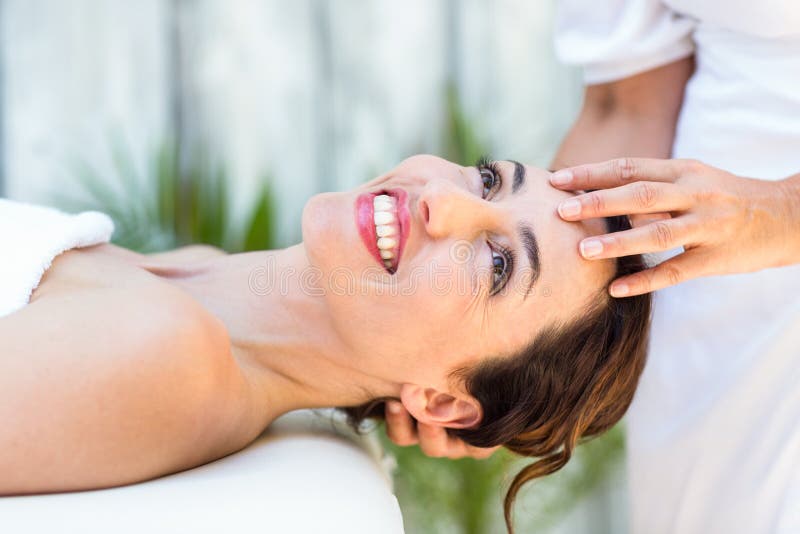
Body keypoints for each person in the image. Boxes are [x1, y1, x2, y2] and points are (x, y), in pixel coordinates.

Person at [0, 155, 651, 533]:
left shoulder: (172, 357)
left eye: (498, 265)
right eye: (488, 180)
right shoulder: (197, 271)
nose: (443, 199)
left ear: (442, 404)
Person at [384, 2, 800, 533]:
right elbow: (625, 103)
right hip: (702, 312)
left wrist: (782, 213)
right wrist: (514, 370)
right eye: (489, 181)